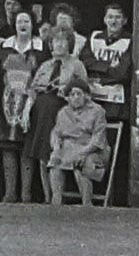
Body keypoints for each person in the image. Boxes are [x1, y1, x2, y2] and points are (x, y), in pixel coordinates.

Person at [43, 75, 110, 204]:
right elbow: (56, 133)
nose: (75, 97)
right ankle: (56, 202)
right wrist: (56, 148)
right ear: (67, 97)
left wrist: (83, 152)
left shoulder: (97, 111)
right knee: (54, 161)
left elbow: (98, 139)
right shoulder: (63, 112)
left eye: (79, 94)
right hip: (69, 149)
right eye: (72, 94)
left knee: (82, 162)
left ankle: (86, 204)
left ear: (86, 95)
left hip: (93, 151)